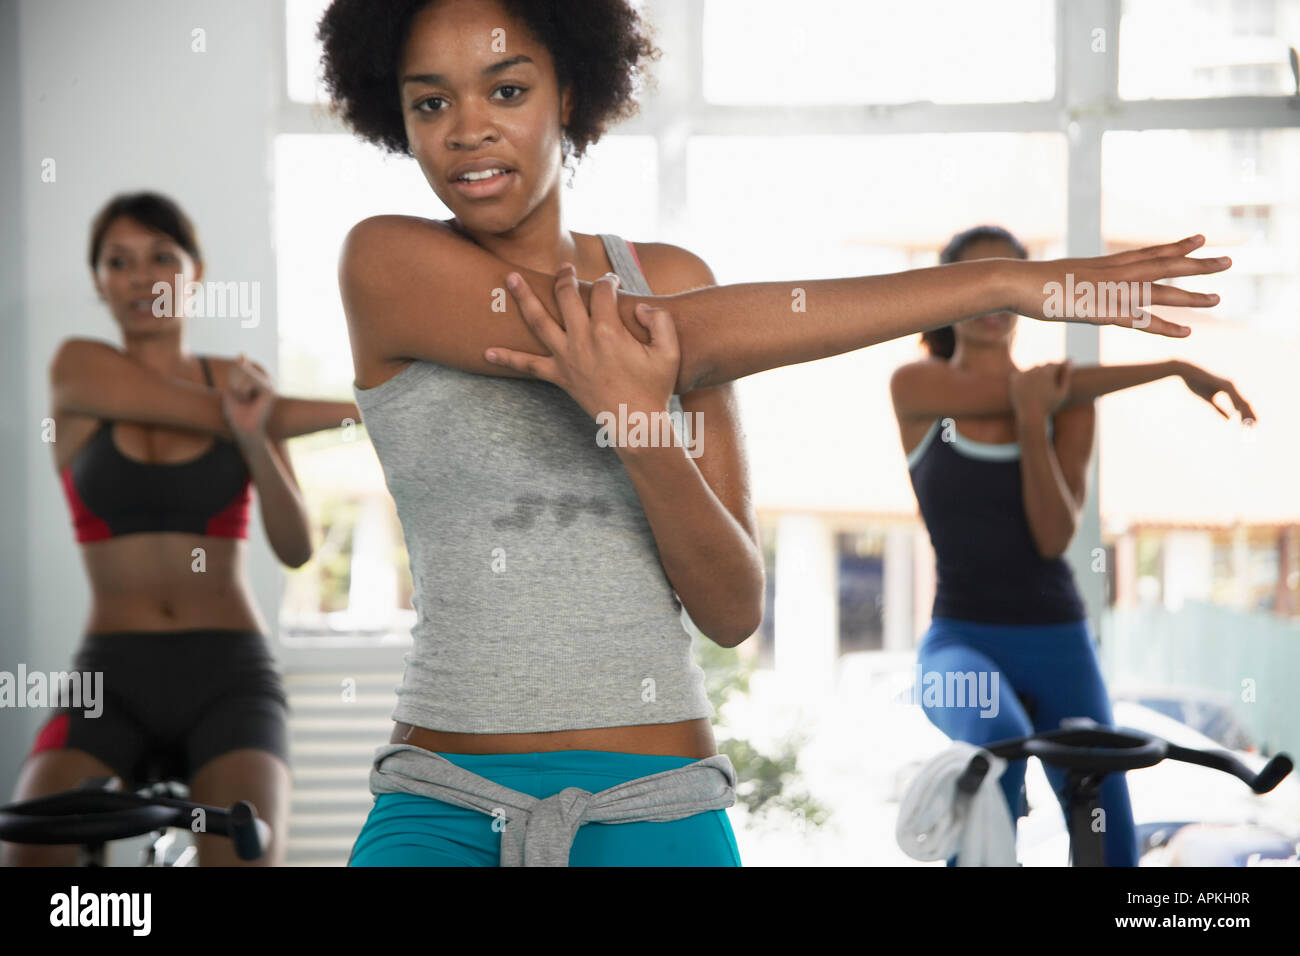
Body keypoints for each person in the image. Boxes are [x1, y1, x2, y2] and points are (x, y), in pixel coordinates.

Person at [318, 0, 1231, 866]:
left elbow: (730, 608)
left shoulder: (671, 275)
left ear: (572, 92)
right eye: (431, 101)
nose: (467, 127)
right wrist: (997, 285)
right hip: (442, 798)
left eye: (507, 89)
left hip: (658, 793)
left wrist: (640, 432)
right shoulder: (386, 261)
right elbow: (666, 337)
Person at [1, 192, 361, 867]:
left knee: (247, 856)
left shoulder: (239, 382)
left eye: (162, 257)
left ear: (196, 273)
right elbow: (214, 412)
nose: (142, 277)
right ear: (99, 282)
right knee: (28, 854)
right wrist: (370, 408)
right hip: (110, 673)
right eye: (119, 262)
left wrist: (259, 441)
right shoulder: (78, 368)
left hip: (228, 672)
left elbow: (295, 548)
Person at [889, 224, 1256, 866]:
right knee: (993, 745)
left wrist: (1037, 421)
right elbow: (1009, 392)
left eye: (1010, 280)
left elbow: (1053, 536)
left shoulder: (1067, 404)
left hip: (1058, 639)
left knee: (1107, 828)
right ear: (949, 296)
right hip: (960, 639)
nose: (995, 299)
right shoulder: (917, 388)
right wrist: (1172, 366)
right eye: (979, 281)